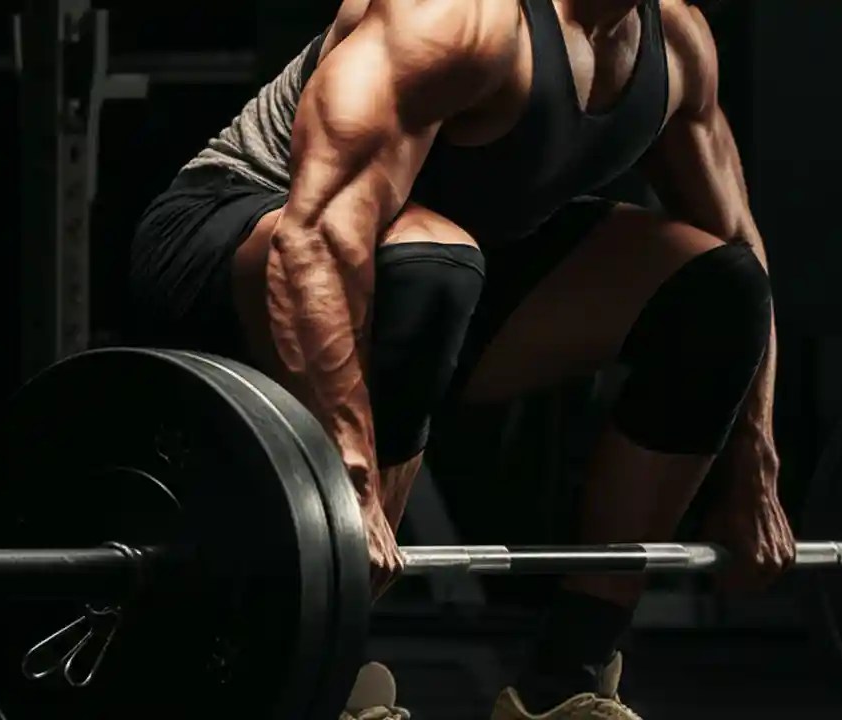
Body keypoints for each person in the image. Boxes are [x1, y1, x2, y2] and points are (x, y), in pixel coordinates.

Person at [129, 0, 796, 717]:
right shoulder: (456, 17)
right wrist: (349, 480)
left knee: (722, 290)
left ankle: (566, 678)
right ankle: (329, 682)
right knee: (434, 261)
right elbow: (315, 238)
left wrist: (754, 466)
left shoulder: (678, 43)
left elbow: (741, 242)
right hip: (240, 236)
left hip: (444, 278)